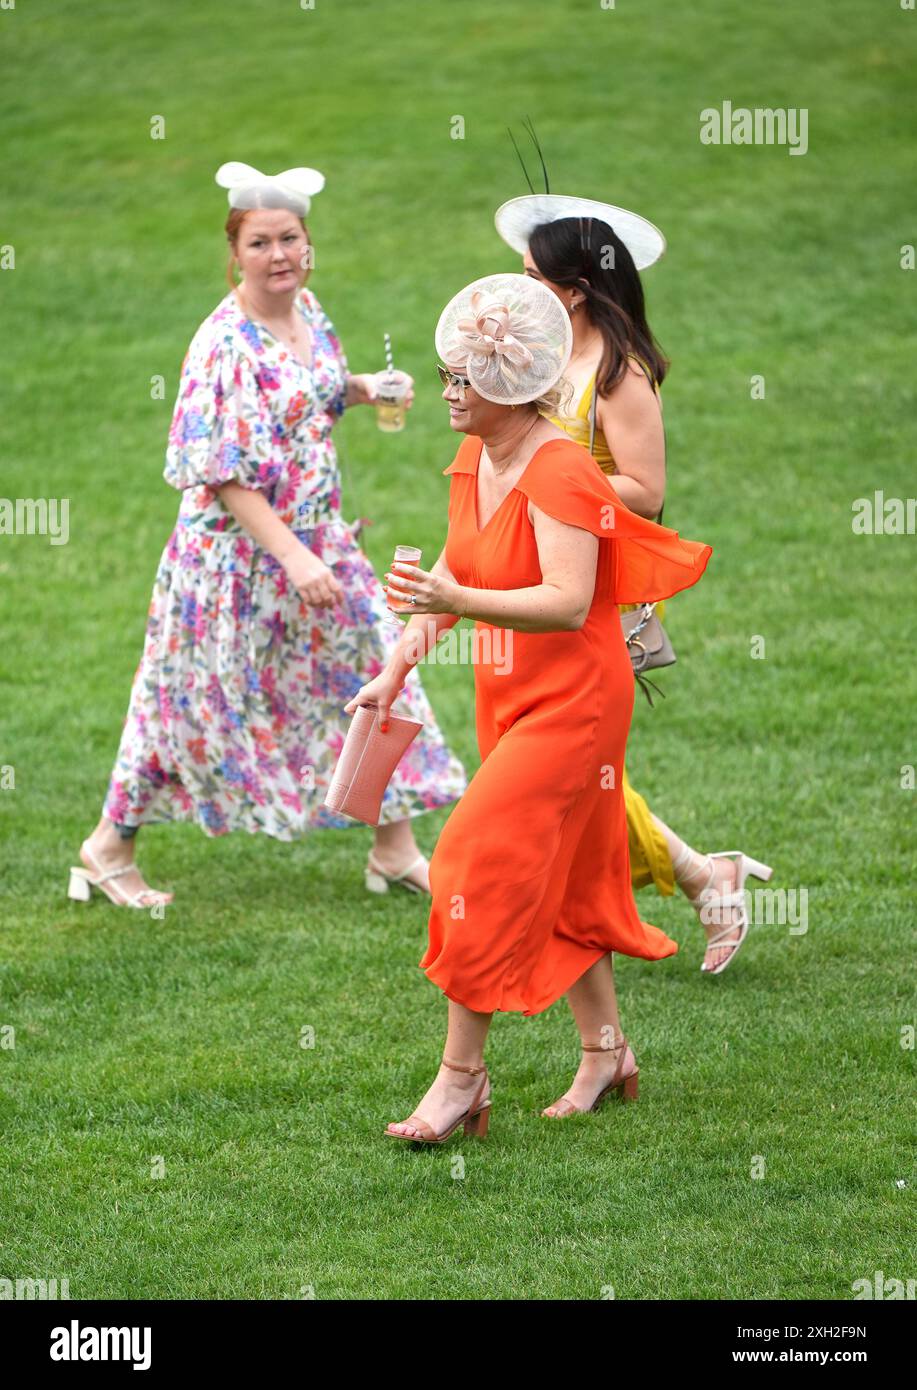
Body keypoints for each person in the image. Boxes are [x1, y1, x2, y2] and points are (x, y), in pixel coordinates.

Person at [344, 273, 712, 1142]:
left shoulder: (560, 468)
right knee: (573, 874)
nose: (445, 395)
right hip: (505, 691)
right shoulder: (476, 455)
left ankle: (460, 1080)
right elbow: (453, 568)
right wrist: (396, 668)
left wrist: (459, 599)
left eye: (462, 382)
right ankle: (605, 1052)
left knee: (471, 861)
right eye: (447, 376)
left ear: (509, 391)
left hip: (575, 703)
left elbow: (563, 597)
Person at [68, 161, 465, 910]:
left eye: (290, 239)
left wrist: (363, 389)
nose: (278, 255)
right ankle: (107, 847)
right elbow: (218, 472)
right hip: (234, 562)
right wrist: (292, 556)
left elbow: (306, 394)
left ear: (308, 246)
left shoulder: (307, 311)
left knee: (380, 673)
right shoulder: (222, 344)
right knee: (186, 702)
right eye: (260, 243)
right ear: (235, 251)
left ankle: (394, 848)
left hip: (319, 540)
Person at [495, 192, 772, 974]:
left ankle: (651, 895)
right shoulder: (540, 356)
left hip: (592, 592)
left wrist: (548, 482)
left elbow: (645, 490)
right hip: (531, 576)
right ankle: (698, 874)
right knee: (557, 768)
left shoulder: (617, 374)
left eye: (529, 277)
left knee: (558, 770)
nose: (517, 289)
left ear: (575, 289)